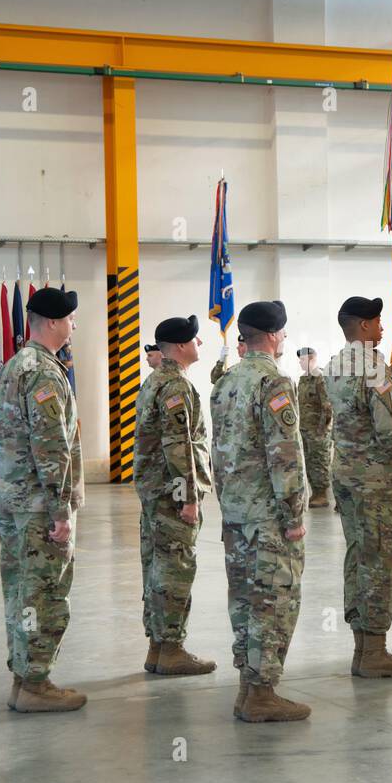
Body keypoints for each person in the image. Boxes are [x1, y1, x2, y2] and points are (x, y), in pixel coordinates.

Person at [210, 300, 309, 723]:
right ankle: (262, 692)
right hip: (268, 517)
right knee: (274, 600)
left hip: (235, 514)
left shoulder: (225, 382)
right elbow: (284, 456)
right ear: (271, 336)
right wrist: (294, 516)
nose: (285, 339)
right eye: (283, 332)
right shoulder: (274, 383)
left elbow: (218, 450)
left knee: (245, 600)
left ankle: (248, 686)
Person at [0, 286, 86, 713]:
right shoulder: (44, 373)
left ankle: (23, 676)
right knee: (45, 590)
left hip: (13, 501)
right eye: (69, 319)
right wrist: (60, 510)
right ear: (52, 322)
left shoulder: (14, 367)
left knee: (19, 588)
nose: (73, 325)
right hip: (37, 506)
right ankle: (35, 682)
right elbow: (51, 447)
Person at [325, 296, 392, 678]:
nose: (384, 328)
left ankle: (361, 648)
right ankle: (376, 651)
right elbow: (388, 432)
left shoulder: (334, 364)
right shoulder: (374, 369)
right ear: (363, 325)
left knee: (358, 557)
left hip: (345, 474)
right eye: (378, 321)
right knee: (380, 560)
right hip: (375, 480)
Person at [133, 314, 216, 676]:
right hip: (170, 494)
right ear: (181, 345)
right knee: (175, 568)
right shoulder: (176, 386)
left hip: (154, 491)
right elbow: (178, 445)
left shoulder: (155, 380)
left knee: (156, 567)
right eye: (197, 340)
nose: (201, 345)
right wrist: (188, 498)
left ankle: (157, 646)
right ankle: (171, 648)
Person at [296, 346, 334, 508]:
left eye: (303, 359)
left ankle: (322, 494)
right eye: (300, 360)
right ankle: (315, 492)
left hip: (318, 430)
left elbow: (327, 406)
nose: (300, 362)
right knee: (310, 461)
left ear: (312, 359)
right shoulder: (303, 379)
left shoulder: (320, 377)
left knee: (320, 461)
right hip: (305, 428)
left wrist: (322, 430)